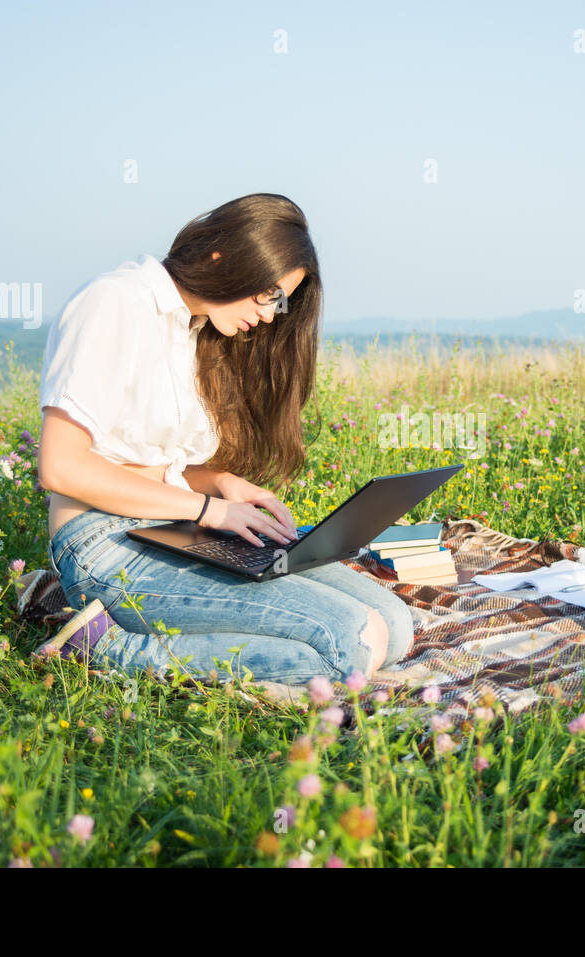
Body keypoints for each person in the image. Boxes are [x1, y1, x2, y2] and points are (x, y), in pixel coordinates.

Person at [35, 193, 414, 685]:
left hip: (176, 527)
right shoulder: (116, 302)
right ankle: (104, 648)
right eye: (269, 295)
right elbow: (62, 467)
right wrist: (210, 511)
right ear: (225, 258)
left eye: (282, 302)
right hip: (103, 542)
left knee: (396, 628)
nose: (273, 314)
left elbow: (139, 459)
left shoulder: (192, 328)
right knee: (351, 644)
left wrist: (219, 483)